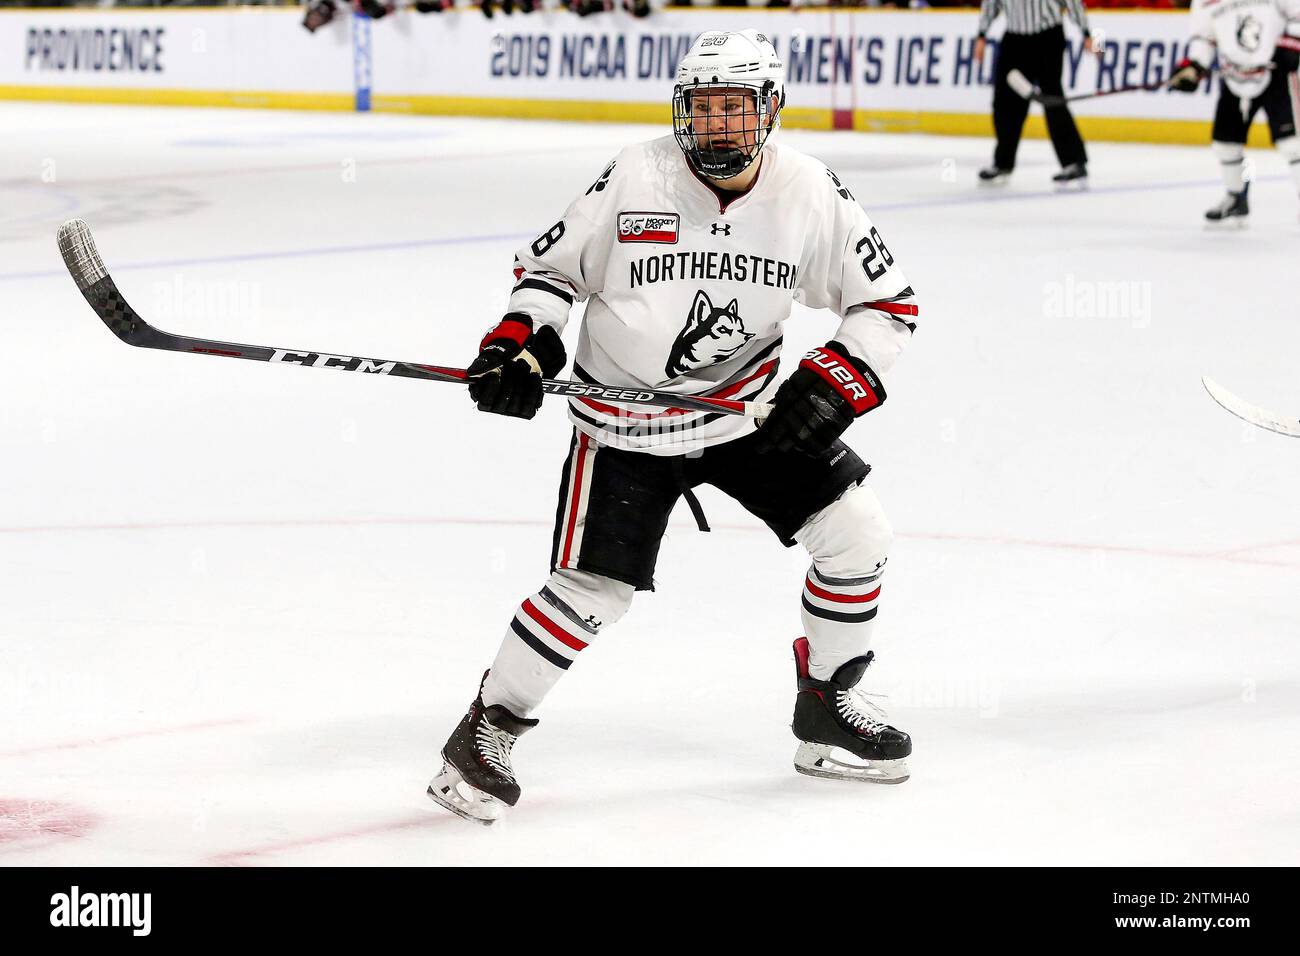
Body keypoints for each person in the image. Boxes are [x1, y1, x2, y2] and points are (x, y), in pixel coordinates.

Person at [426, 29, 920, 825]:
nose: (718, 124)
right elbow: (550, 274)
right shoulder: (634, 173)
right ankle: (484, 734)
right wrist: (518, 344)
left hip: (746, 413)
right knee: (593, 590)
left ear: (771, 108)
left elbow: (888, 304)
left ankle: (827, 705)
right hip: (626, 422)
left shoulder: (808, 190)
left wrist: (836, 381)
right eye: (703, 107)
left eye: (735, 108)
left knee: (857, 532)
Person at [1170, 0, 1300, 224]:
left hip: (1275, 72)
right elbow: (1204, 36)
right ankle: (1236, 197)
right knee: (1225, 144)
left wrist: (1292, 44)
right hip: (1233, 76)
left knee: (1292, 144)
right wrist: (1194, 66)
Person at [975, 0, 1099, 186]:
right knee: (1004, 104)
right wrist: (981, 35)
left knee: (1052, 98)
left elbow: (1072, 2)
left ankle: (1073, 161)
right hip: (1015, 39)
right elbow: (990, 4)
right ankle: (1002, 162)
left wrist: (1086, 33)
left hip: (1047, 37)